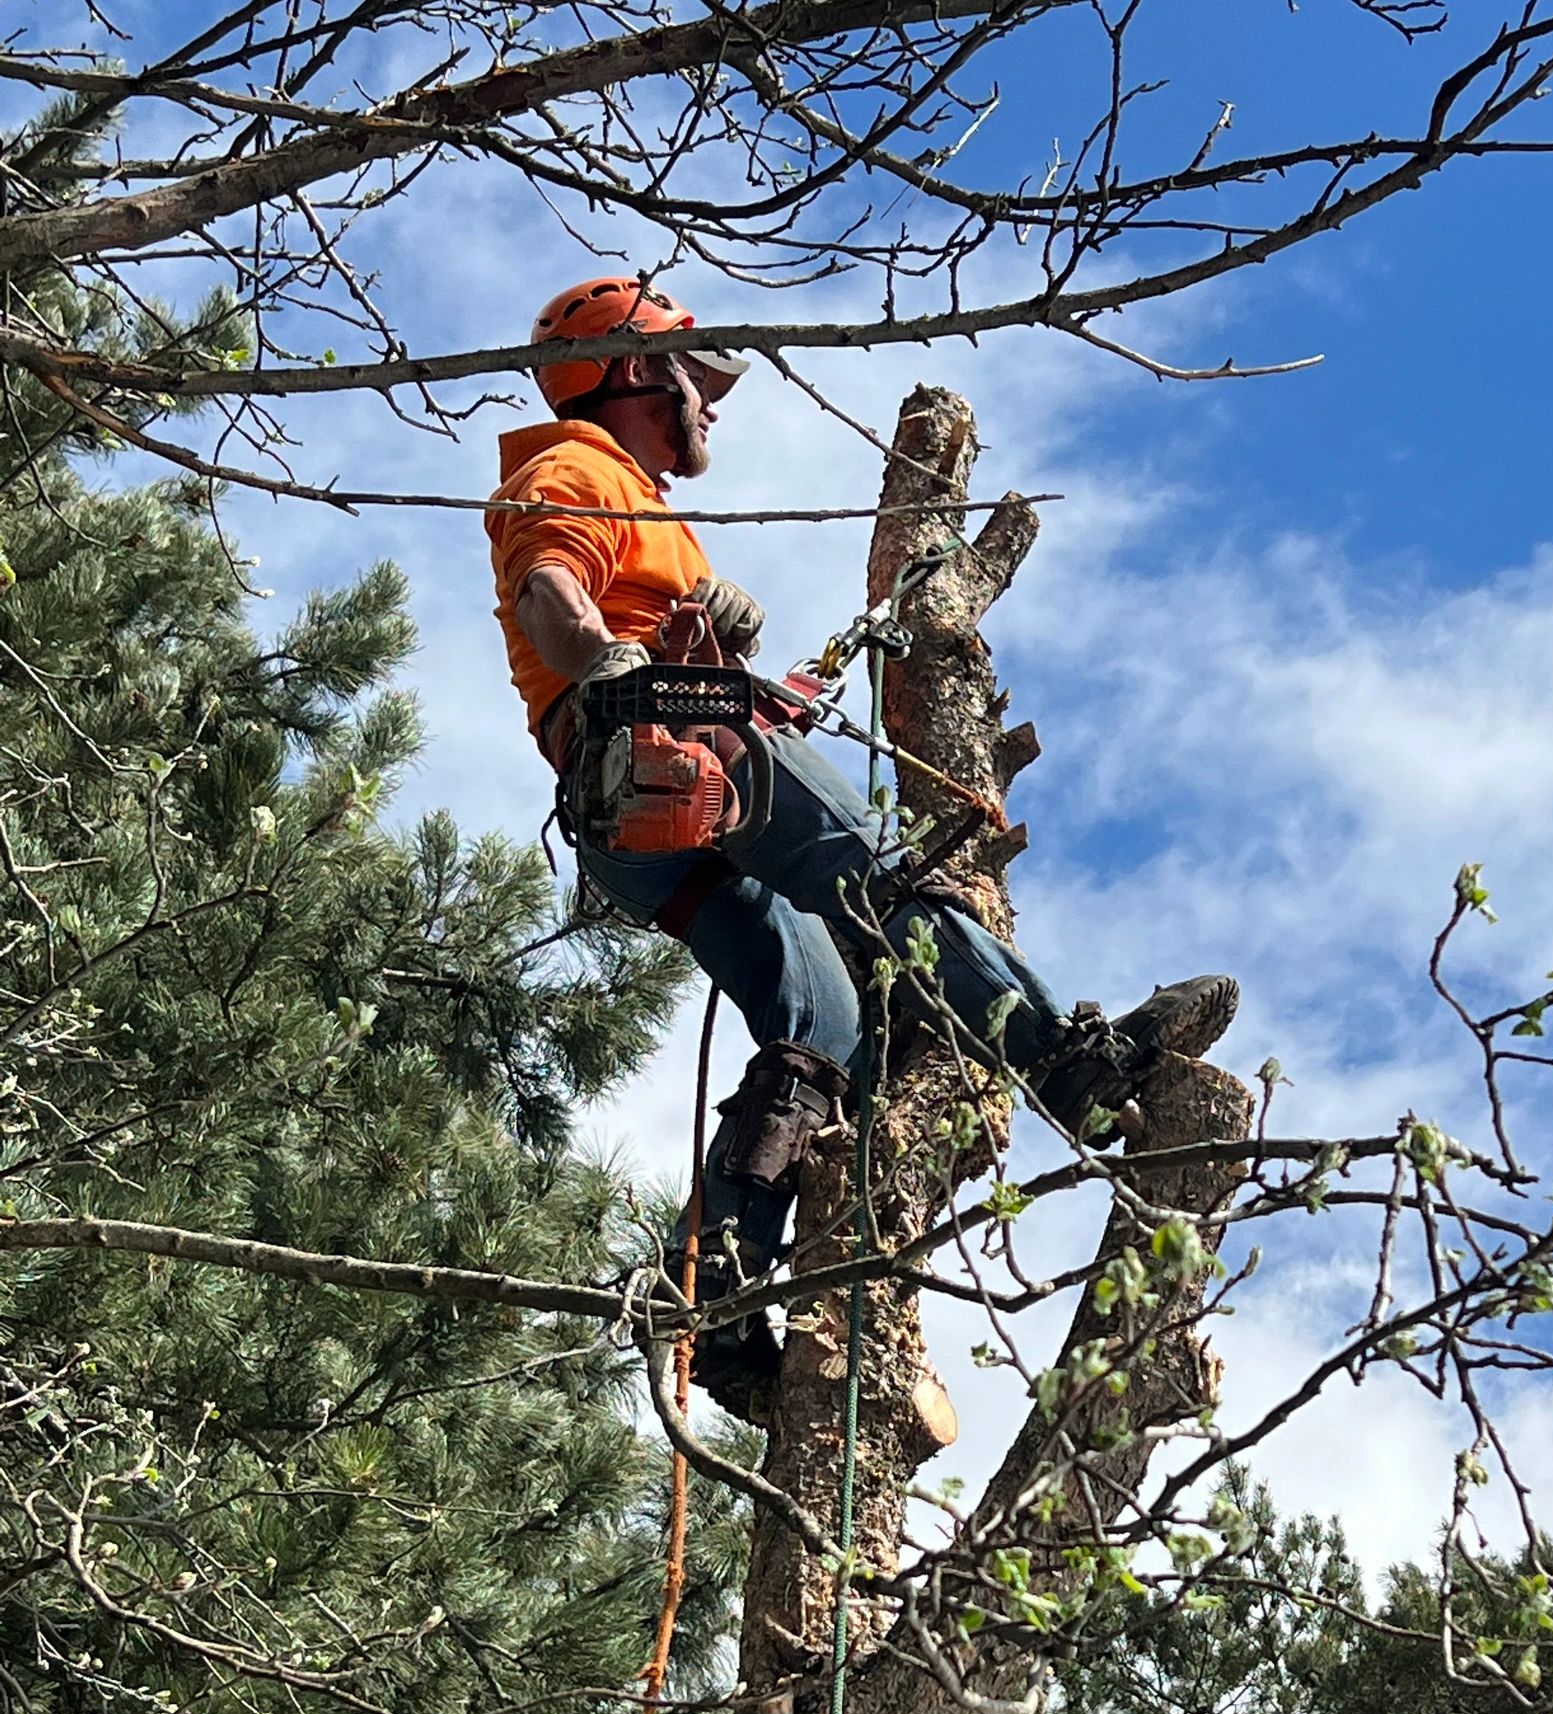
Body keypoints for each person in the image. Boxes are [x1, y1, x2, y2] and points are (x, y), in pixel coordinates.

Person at [487, 272, 1237, 1416]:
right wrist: (615, 666)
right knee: (880, 880)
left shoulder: (636, 499)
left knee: (822, 1026)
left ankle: (720, 1305)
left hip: (634, 816)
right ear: (637, 368)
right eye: (698, 375)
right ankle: (1068, 1064)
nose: (713, 403)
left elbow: (601, 605)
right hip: (676, 748)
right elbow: (549, 589)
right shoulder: (573, 469)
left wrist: (696, 632)